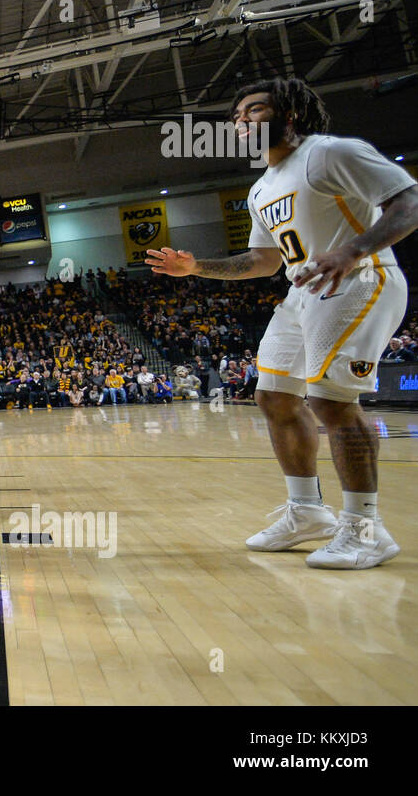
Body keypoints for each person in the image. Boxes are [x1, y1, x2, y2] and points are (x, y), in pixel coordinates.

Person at [148, 76, 417, 569]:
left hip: (360, 278)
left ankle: (365, 529)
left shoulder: (331, 152)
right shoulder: (259, 188)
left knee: (331, 402)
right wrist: (196, 267)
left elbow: (408, 203)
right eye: (236, 117)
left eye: (253, 111)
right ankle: (308, 513)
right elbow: (261, 261)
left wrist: (352, 249)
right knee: (274, 397)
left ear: (288, 116)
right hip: (302, 291)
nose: (241, 121)